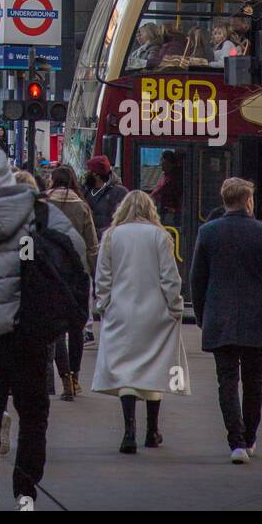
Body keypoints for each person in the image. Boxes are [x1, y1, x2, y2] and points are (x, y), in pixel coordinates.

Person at [0, 148, 86, 510]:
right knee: (34, 413)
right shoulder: (39, 211)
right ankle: (25, 489)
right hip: (31, 331)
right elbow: (73, 251)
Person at [190, 176, 262, 463]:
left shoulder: (207, 233)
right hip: (257, 317)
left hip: (220, 317)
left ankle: (235, 442)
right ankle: (250, 438)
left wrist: (201, 315)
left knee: (227, 380)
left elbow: (198, 279)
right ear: (249, 201)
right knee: (254, 381)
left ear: (224, 200)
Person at [92, 190, 189, 454]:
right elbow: (170, 277)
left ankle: (128, 432)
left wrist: (104, 303)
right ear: (151, 210)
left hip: (121, 310)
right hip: (155, 311)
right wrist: (175, 305)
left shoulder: (111, 236)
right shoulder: (160, 236)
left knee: (126, 370)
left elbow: (103, 277)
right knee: (154, 367)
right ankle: (152, 431)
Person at [46, 166, 99, 400]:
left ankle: (64, 376)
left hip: (49, 272)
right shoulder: (82, 206)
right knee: (76, 327)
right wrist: (96, 275)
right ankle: (75, 378)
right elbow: (92, 245)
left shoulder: (42, 205)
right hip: (78, 274)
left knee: (55, 327)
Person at [83, 155, 128, 239]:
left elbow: (122, 220)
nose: (85, 173)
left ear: (96, 175)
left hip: (107, 240)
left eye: (88, 170)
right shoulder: (84, 190)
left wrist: (100, 234)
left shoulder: (119, 192)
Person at [149, 149, 183, 223]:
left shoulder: (175, 178)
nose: (160, 163)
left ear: (170, 163)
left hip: (171, 212)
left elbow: (161, 194)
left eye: (162, 160)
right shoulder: (166, 176)